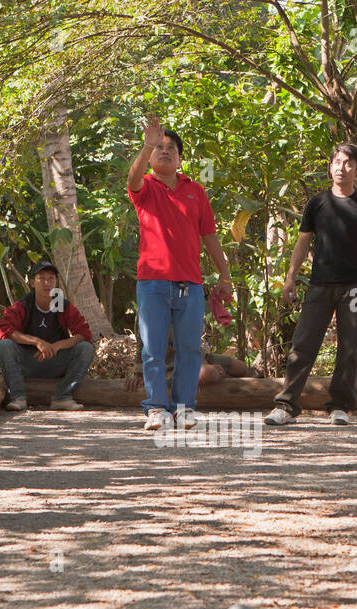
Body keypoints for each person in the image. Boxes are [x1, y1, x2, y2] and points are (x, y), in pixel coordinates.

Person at [127, 114, 233, 431]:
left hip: (190, 283)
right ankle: (157, 409)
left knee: (190, 349)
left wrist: (224, 276)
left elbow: (210, 237)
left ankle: (184, 409)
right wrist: (145, 146)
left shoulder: (195, 191)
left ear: (179, 158)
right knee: (153, 349)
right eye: (158, 147)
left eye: (171, 147)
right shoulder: (144, 186)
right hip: (152, 283)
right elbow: (131, 179)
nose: (164, 151)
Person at [266, 144, 357, 426]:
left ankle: (339, 406)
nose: (341, 168)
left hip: (354, 287)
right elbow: (303, 240)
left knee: (350, 347)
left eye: (348, 163)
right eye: (337, 162)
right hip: (319, 285)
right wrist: (291, 276)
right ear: (330, 166)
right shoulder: (317, 203)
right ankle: (286, 405)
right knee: (303, 344)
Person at [0, 261, 95, 410]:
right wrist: (37, 342)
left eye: (51, 279)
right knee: (4, 345)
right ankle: (18, 397)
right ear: (32, 282)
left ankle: (63, 396)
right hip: (28, 362)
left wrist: (56, 346)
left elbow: (84, 334)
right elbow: (4, 330)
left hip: (57, 362)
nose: (47, 283)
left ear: (56, 282)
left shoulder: (62, 305)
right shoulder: (24, 305)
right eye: (41, 278)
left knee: (86, 348)